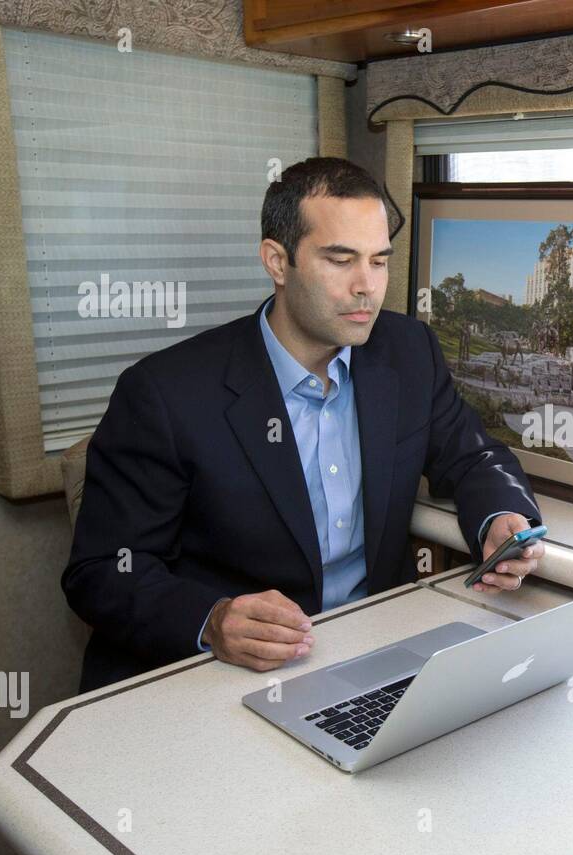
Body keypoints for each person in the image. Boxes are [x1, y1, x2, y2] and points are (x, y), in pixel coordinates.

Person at [63, 157, 545, 692]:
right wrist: (212, 619)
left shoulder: (409, 352)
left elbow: (474, 455)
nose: (368, 287)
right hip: (228, 674)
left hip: (374, 651)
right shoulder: (164, 393)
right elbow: (104, 569)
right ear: (277, 261)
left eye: (379, 261)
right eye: (341, 261)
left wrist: (503, 516)